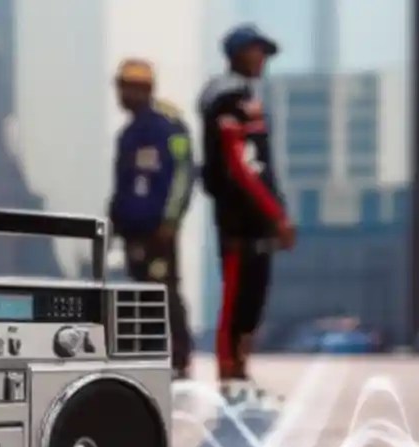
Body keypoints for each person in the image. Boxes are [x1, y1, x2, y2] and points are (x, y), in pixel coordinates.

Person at [197, 24, 297, 397]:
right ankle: (230, 378)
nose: (263, 59)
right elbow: (240, 166)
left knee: (253, 294)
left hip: (255, 217)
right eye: (258, 51)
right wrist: (276, 215)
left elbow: (259, 165)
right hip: (241, 217)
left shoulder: (243, 96)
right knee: (238, 295)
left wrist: (274, 212)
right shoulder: (229, 97)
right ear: (239, 53)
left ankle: (240, 374)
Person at [107, 59, 195, 379]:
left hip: (159, 229)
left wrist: (171, 220)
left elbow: (184, 173)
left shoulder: (170, 126)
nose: (122, 95)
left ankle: (179, 358)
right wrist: (114, 220)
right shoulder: (128, 134)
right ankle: (148, 356)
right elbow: (123, 184)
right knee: (140, 293)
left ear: (145, 89)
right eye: (120, 87)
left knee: (164, 291)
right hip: (133, 230)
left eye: (128, 88)